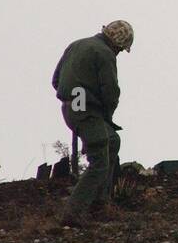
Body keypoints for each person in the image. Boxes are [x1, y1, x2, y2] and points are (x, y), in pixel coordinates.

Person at [52, 20, 133, 226]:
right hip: (88, 112)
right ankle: (74, 213)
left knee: (112, 140)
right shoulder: (105, 54)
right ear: (118, 44)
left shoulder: (76, 45)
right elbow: (111, 92)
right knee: (99, 162)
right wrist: (107, 115)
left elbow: (55, 80)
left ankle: (100, 203)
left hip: (70, 108)